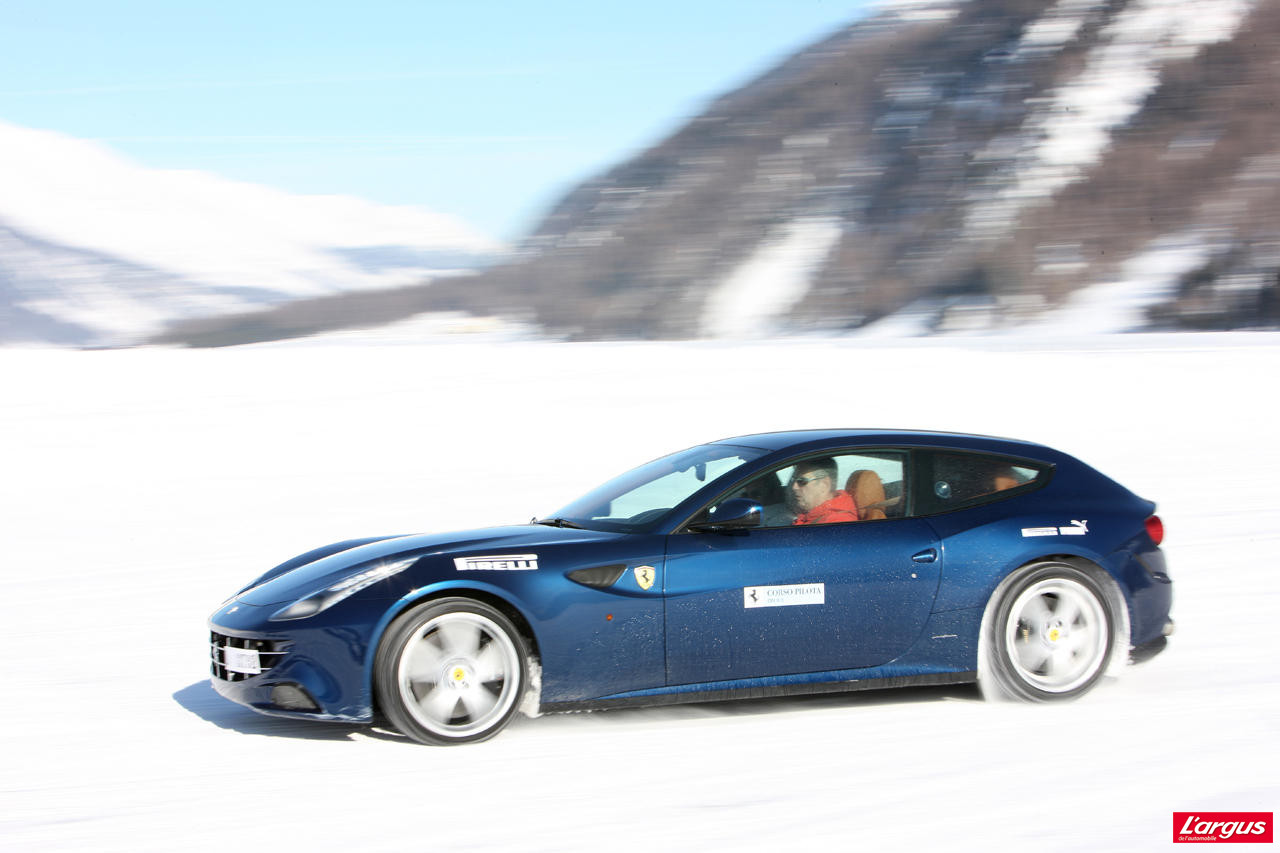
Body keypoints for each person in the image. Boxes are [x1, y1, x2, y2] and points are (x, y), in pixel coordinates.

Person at [789, 457, 858, 525]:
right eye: (793, 480)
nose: (794, 487)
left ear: (824, 485)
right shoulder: (813, 515)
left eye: (801, 481)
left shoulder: (838, 522)